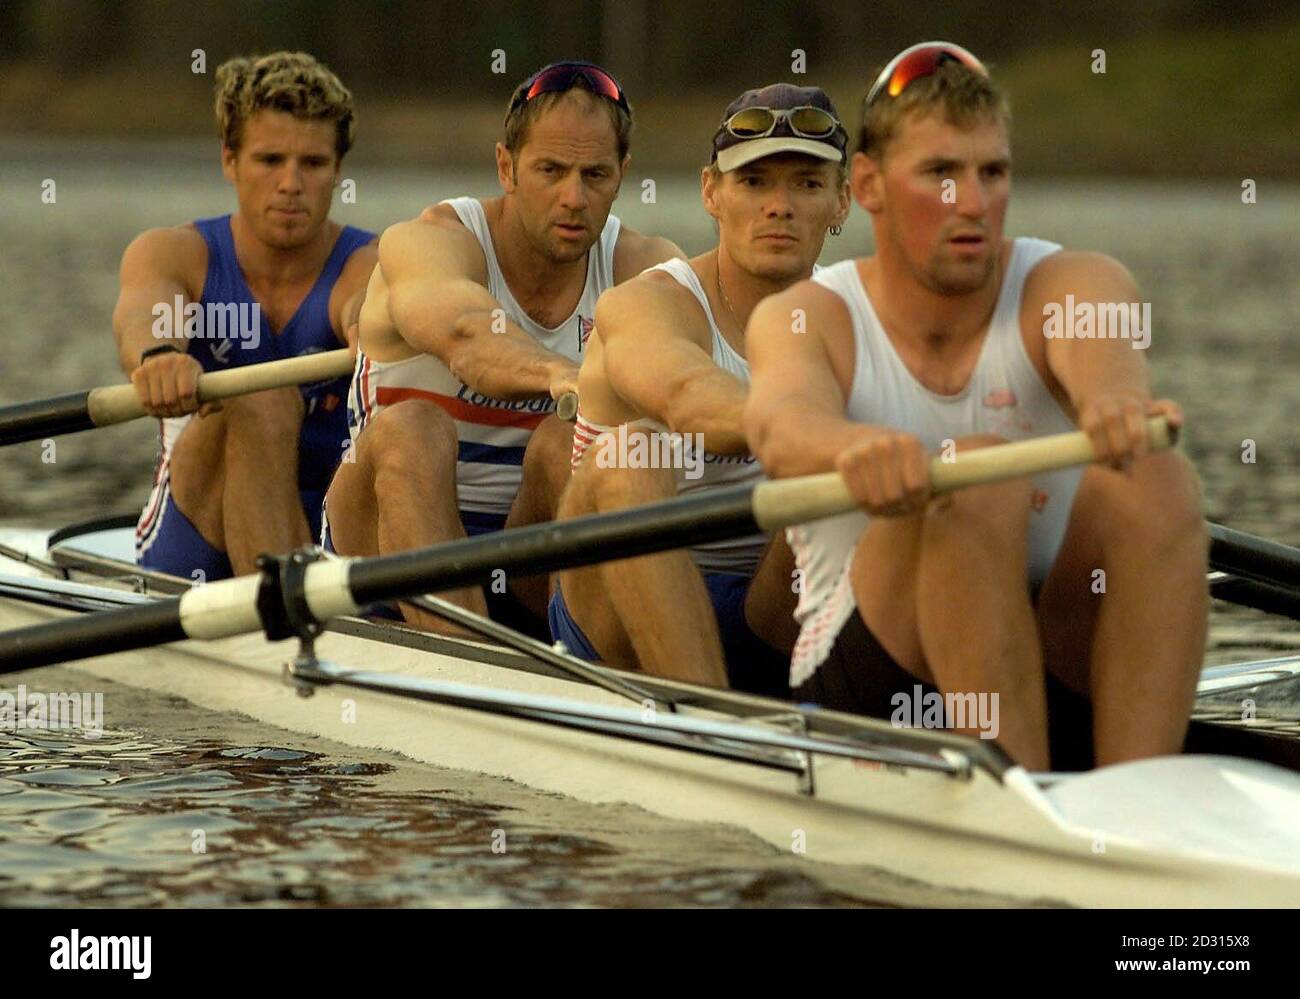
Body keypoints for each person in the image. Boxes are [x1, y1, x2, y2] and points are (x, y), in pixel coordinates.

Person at [744, 43, 1207, 769]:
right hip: (877, 682)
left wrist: (1114, 405)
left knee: (1157, 477)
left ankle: (1136, 796)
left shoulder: (1071, 279)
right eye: (940, 172)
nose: (973, 202)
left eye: (992, 171)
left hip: (1045, 653)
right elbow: (780, 424)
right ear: (867, 183)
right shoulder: (810, 313)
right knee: (977, 475)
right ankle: (1018, 819)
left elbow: (1104, 355)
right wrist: (851, 450)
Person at [322, 61, 681, 633]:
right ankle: (471, 667)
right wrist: (564, 376)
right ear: (506, 167)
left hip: (527, 554)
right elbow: (466, 335)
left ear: (623, 174)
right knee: (413, 427)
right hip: (381, 544)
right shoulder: (431, 241)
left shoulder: (646, 268)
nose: (574, 197)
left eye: (595, 175)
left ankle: (630, 661)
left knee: (572, 442)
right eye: (551, 170)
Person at [548, 84, 850, 692]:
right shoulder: (649, 302)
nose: (779, 206)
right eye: (755, 182)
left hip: (770, 611)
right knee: (631, 455)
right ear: (712, 191)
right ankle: (709, 731)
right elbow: (687, 395)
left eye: (807, 185)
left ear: (843, 203)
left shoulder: (858, 310)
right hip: (613, 616)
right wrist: (824, 435)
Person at [119, 51, 376, 581]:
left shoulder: (367, 264)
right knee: (256, 397)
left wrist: (374, 331)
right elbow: (145, 311)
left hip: (325, 536)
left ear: (337, 171)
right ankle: (296, 627)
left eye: (313, 164)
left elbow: (369, 309)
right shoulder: (175, 252)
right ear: (229, 161)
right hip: (193, 537)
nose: (291, 184)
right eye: (269, 160)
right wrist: (158, 356)